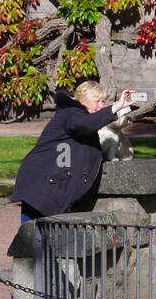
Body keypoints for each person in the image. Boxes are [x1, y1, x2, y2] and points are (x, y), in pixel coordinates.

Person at [11, 81, 135, 224]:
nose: (101, 106)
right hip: (39, 184)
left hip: (50, 184)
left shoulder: (79, 116)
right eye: (97, 101)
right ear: (83, 101)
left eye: (103, 101)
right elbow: (85, 124)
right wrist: (116, 107)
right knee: (32, 236)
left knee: (46, 237)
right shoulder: (70, 113)